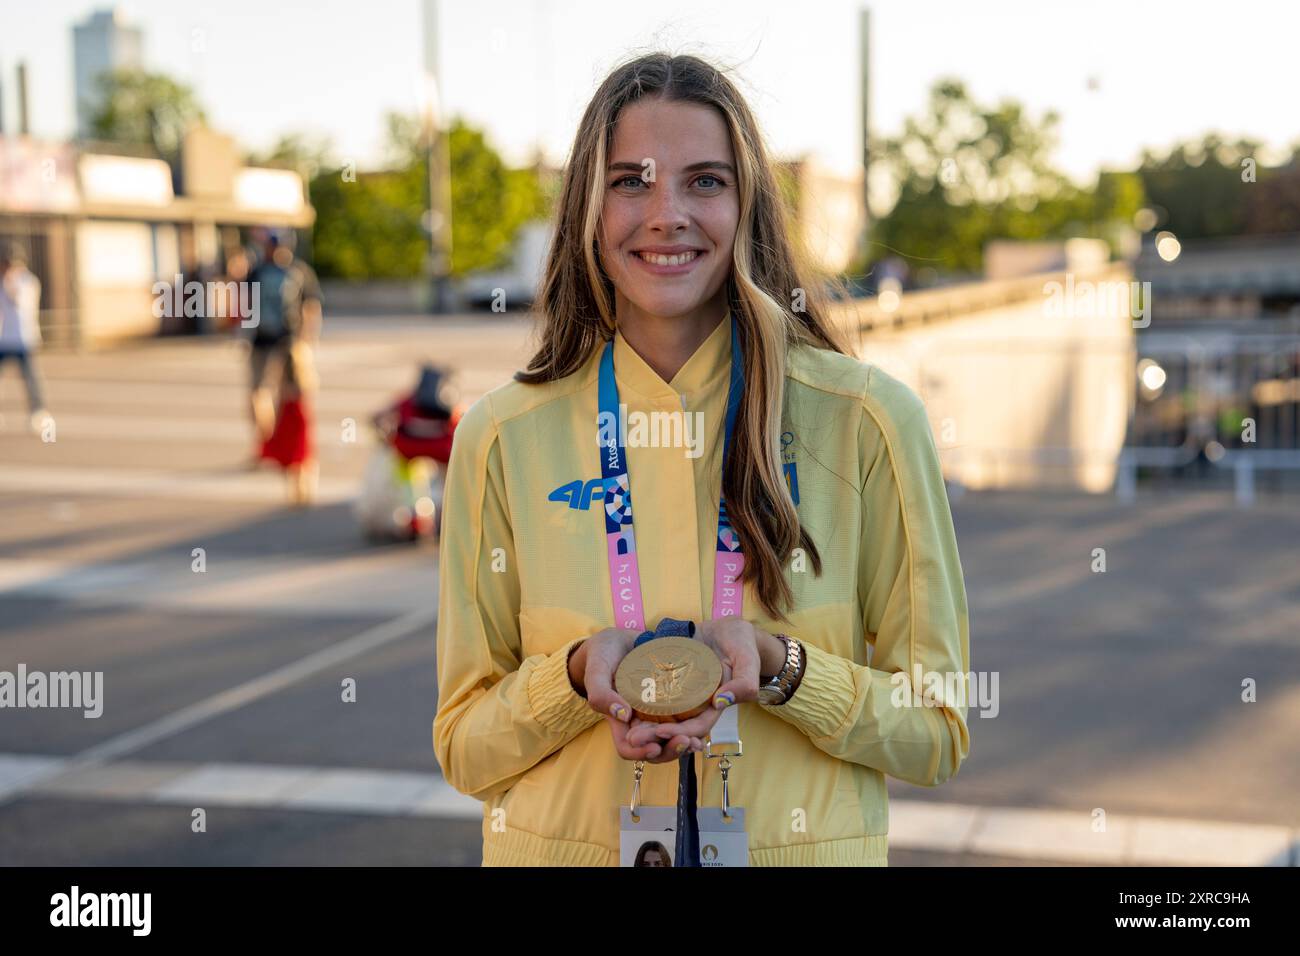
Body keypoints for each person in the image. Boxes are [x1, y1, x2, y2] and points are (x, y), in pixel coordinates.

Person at [433, 53, 970, 867]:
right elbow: (465, 749)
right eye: (632, 182)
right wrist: (573, 680)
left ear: (747, 204)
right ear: (587, 204)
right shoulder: (503, 436)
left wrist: (786, 672)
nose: (667, 213)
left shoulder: (868, 420)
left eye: (705, 182)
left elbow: (937, 730)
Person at [243, 229, 322, 468]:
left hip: (272, 342)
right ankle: (274, 444)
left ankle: (269, 443)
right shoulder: (298, 271)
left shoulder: (260, 271)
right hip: (284, 341)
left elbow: (245, 305)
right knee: (281, 396)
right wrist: (309, 338)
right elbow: (312, 307)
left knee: (264, 394)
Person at [0, 241, 53, 433]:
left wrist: (9, 281)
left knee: (31, 379)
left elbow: (18, 303)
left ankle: (38, 412)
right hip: (4, 339)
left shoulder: (28, 282)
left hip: (24, 338)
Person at [258, 338, 318, 506]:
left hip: (288, 425)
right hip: (299, 424)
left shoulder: (283, 386)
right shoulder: (304, 380)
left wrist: (272, 424)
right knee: (302, 459)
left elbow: (277, 406)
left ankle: (295, 492)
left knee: (291, 461)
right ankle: (304, 490)